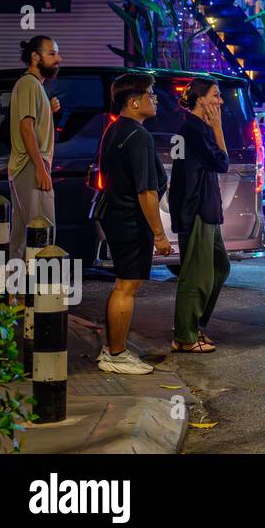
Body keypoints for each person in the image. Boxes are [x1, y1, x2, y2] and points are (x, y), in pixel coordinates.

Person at [98, 74, 172, 374]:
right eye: (150, 94)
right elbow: (146, 191)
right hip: (130, 220)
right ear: (134, 101)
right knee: (126, 286)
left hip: (116, 215)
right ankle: (115, 355)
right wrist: (159, 234)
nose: (154, 99)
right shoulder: (139, 137)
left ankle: (114, 349)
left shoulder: (115, 130)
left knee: (122, 285)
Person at [168, 79, 231, 355]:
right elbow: (222, 162)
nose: (220, 101)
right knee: (196, 274)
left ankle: (194, 325)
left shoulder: (190, 129)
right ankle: (184, 335)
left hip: (204, 208)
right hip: (196, 210)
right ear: (200, 99)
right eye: (216, 96)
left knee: (219, 267)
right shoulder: (195, 130)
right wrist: (218, 129)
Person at [7, 36, 61, 263]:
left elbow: (32, 125)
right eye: (52, 53)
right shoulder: (29, 83)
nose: (59, 58)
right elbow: (26, 128)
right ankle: (39, 295)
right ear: (35, 57)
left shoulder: (34, 86)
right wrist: (40, 167)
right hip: (30, 166)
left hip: (29, 166)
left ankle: (16, 294)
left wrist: (47, 110)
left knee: (23, 234)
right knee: (40, 231)